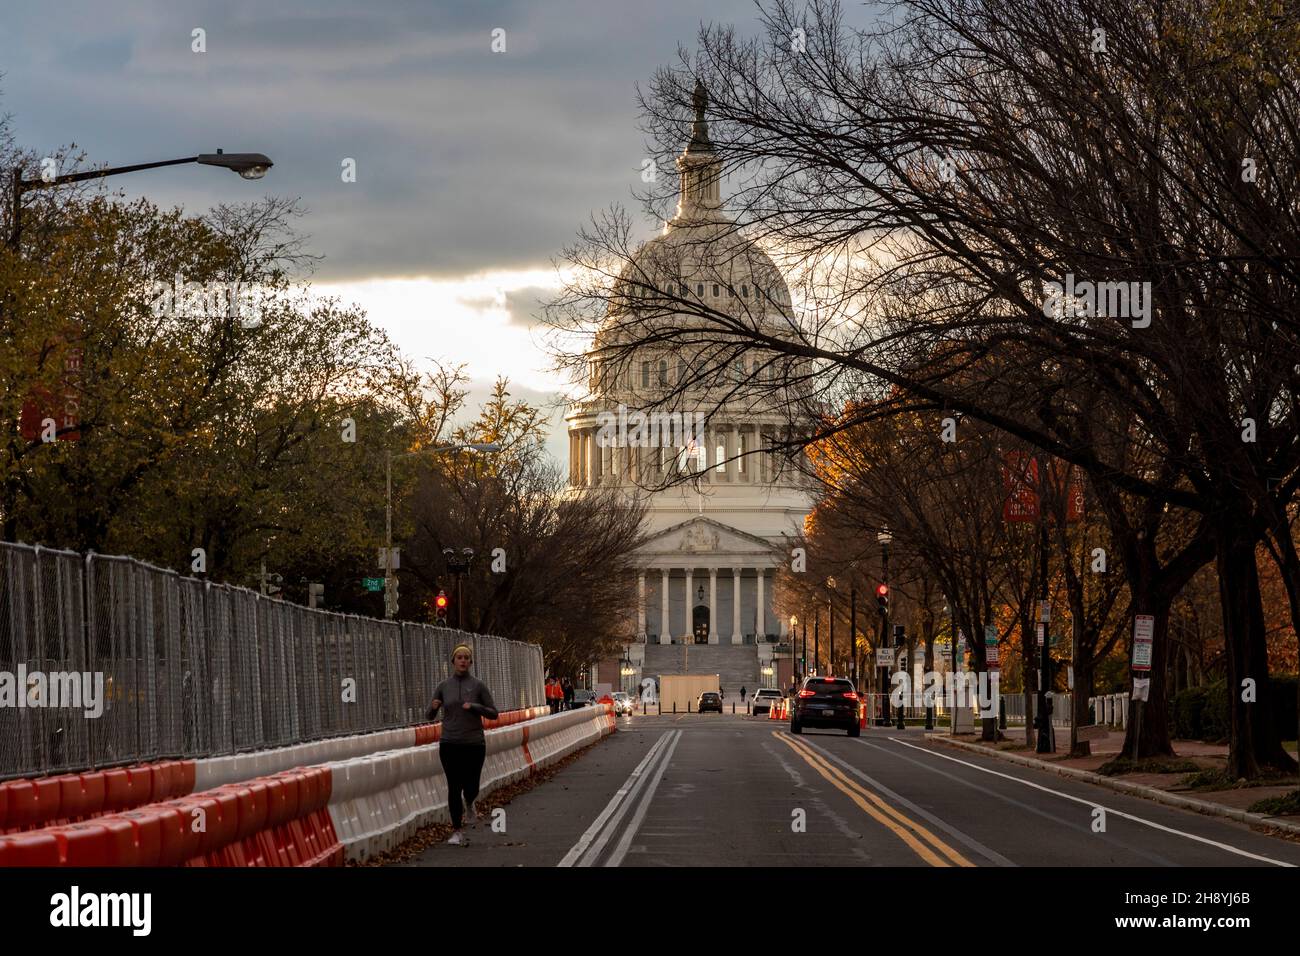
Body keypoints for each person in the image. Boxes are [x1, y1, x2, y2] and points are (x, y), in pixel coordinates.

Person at [426, 644, 499, 846]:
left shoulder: (478, 686)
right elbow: (428, 715)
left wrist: (474, 707)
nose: (463, 660)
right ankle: (457, 830)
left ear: (471, 662)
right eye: (459, 657)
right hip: (449, 742)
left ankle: (470, 801)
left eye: (467, 657)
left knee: (471, 785)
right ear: (453, 662)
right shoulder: (443, 686)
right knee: (453, 786)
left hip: (474, 743)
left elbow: (494, 713)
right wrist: (432, 709)